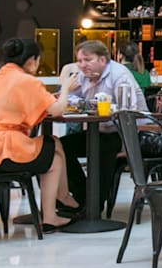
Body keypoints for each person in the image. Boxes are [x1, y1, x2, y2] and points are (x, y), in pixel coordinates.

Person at [0, 38, 79, 232]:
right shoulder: (26, 81)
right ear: (31, 60)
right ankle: (53, 213)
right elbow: (58, 110)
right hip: (5, 152)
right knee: (54, 155)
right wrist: (66, 87)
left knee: (53, 143)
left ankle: (62, 198)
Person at [60, 40, 147, 214]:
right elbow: (70, 99)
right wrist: (72, 95)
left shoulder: (119, 75)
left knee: (104, 146)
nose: (82, 65)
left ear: (102, 60)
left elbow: (127, 111)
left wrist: (88, 105)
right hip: (99, 130)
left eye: (87, 60)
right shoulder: (84, 75)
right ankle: (83, 196)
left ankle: (95, 206)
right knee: (59, 147)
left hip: (128, 134)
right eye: (80, 61)